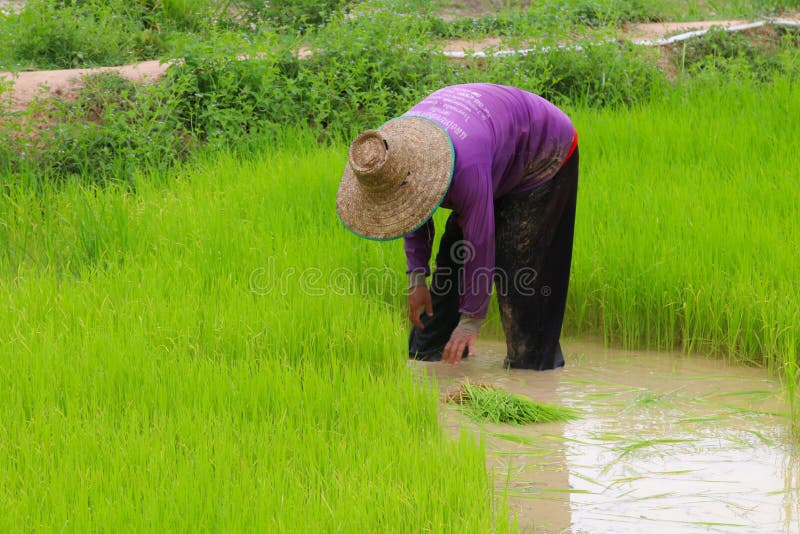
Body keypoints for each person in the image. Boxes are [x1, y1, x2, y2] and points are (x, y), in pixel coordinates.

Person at [336, 83, 578, 370]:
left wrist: (471, 320)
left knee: (521, 274)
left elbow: (480, 241)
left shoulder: (466, 169)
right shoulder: (394, 150)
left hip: (543, 150)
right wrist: (416, 279)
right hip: (491, 145)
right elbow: (410, 211)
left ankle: (535, 369)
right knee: (453, 262)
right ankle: (431, 355)